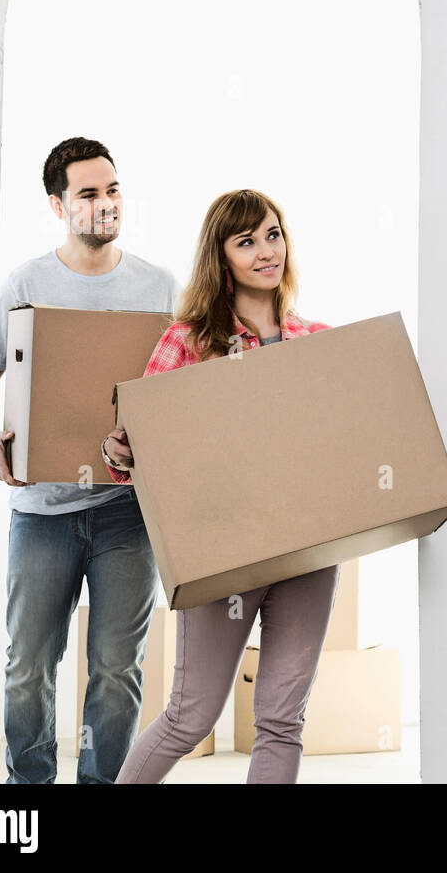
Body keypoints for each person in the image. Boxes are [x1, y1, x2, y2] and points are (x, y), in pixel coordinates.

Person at [103, 188, 341, 784]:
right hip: (223, 551)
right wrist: (119, 450)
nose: (266, 251)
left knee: (282, 721)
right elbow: (134, 451)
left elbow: (344, 449)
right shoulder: (187, 343)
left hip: (308, 552)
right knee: (191, 715)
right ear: (222, 257)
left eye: (273, 234)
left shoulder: (321, 342)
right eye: (246, 241)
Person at [0, 137, 179, 783]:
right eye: (90, 194)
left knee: (117, 672)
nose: (107, 204)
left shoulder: (157, 287)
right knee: (27, 668)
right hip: (42, 510)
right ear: (57, 205)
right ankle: (30, 790)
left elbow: (182, 394)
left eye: (114, 189)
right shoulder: (25, 284)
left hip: (128, 513)